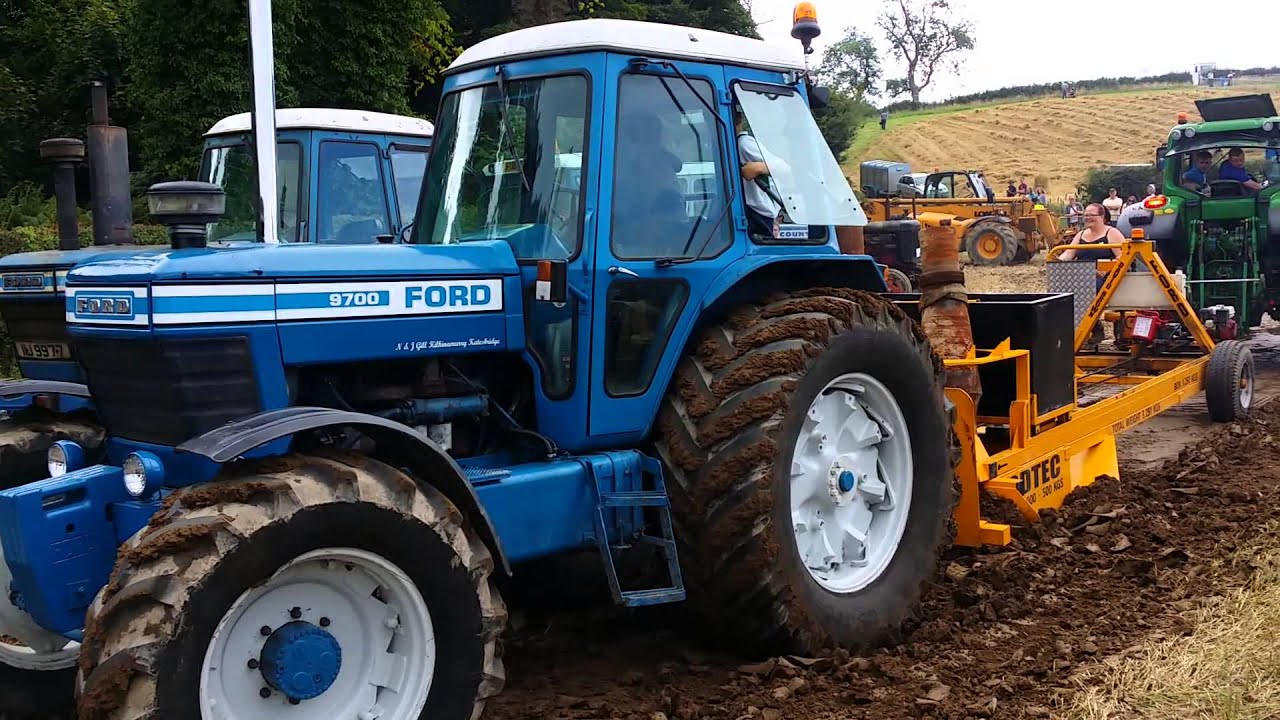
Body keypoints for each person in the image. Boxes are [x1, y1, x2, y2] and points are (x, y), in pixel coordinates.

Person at [735, 109, 787, 238]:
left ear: (739, 119)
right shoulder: (728, 145)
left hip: (758, 214)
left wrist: (758, 167)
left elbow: (785, 168)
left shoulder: (744, 144)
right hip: (749, 211)